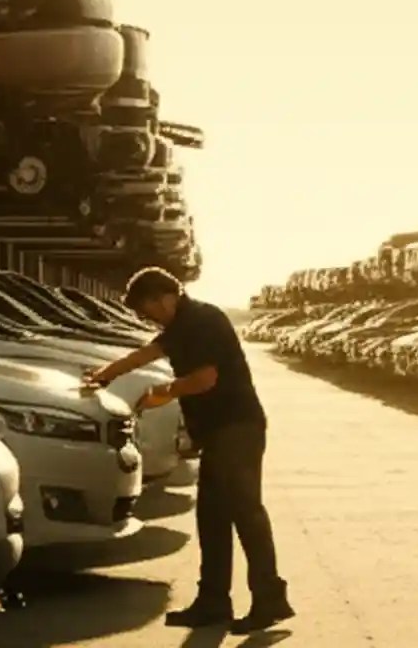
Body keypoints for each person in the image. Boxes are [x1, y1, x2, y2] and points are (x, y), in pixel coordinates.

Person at [85, 267, 294, 635]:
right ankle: (213, 603)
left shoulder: (203, 320)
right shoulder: (182, 325)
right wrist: (104, 375)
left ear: (165, 296)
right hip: (218, 433)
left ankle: (269, 599)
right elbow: (146, 353)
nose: (147, 317)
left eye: (148, 310)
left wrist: (158, 394)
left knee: (246, 513)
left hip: (237, 429)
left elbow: (204, 379)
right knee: (212, 518)